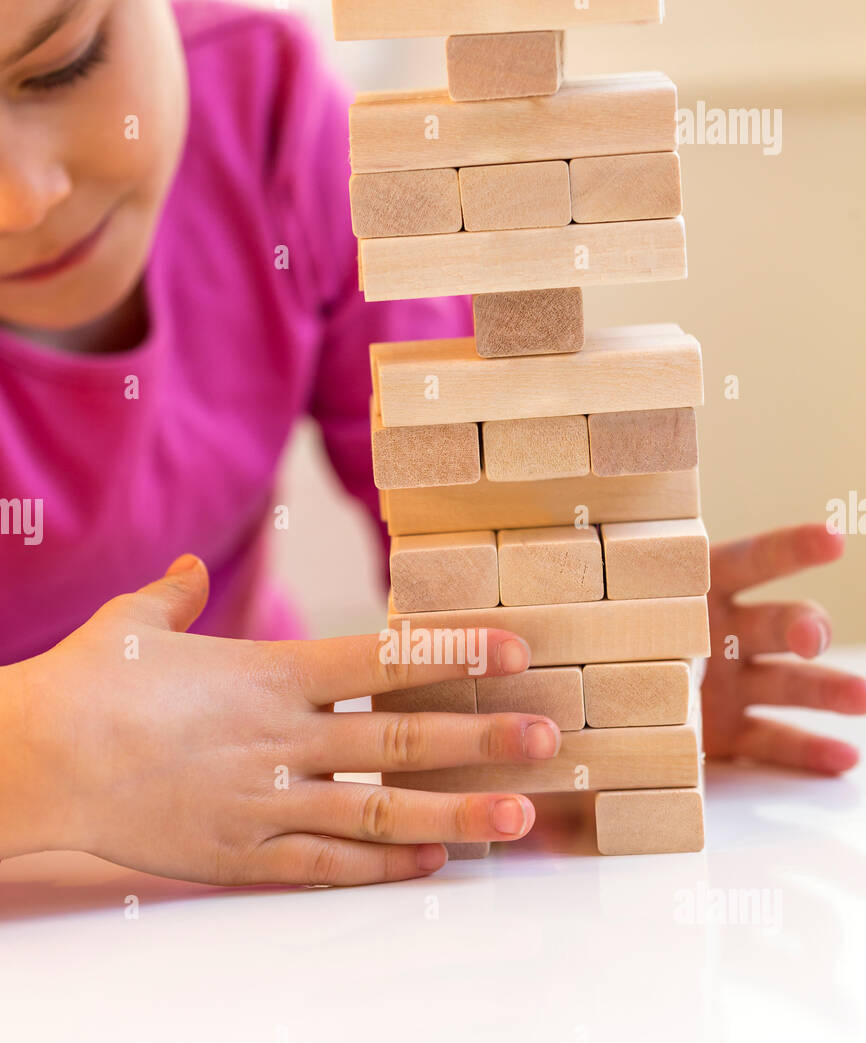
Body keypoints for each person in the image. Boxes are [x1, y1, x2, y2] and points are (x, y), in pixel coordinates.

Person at [1, 1, 863, 886]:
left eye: (62, 65)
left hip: (248, 846)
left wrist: (591, 671)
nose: (24, 199)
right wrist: (43, 754)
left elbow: (462, 520)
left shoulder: (267, 109)